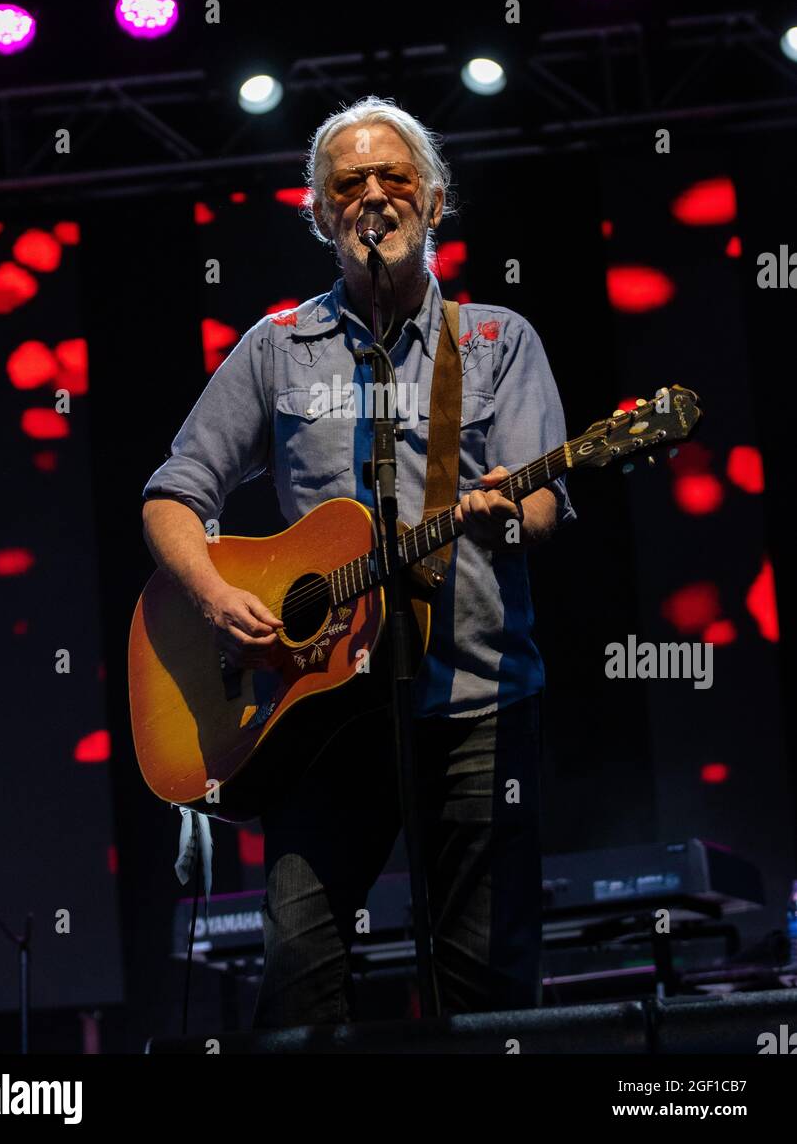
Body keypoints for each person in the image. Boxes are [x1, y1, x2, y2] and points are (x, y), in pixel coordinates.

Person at [141, 96, 575, 1027]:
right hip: (324, 719)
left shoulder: (497, 344)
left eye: (394, 178)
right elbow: (175, 492)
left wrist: (507, 516)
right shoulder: (277, 348)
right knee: (295, 981)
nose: (374, 195)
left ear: (435, 197)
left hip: (477, 705)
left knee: (488, 995)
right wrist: (215, 597)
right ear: (319, 210)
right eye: (349, 183)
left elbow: (543, 505)